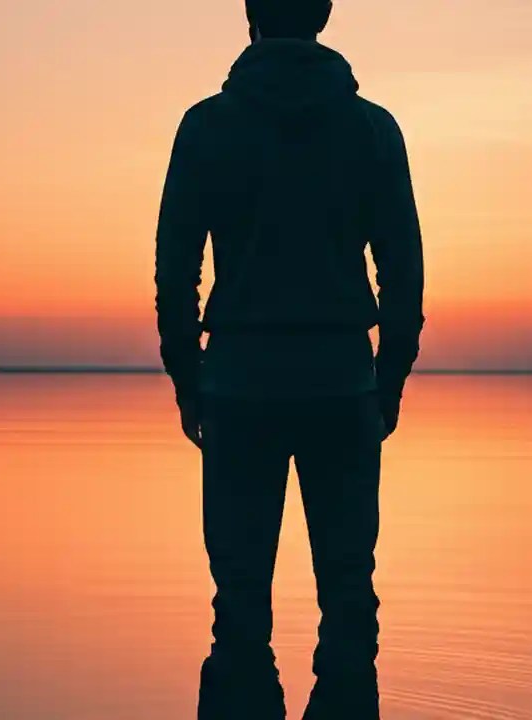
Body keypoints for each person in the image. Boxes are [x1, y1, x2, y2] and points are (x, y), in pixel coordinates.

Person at [154, 0, 424, 716]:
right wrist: (389, 377)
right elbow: (403, 267)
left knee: (239, 611)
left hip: (239, 388)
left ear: (251, 15)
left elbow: (175, 268)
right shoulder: (373, 130)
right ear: (324, 15)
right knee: (348, 606)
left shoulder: (207, 127)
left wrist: (189, 378)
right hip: (342, 385)